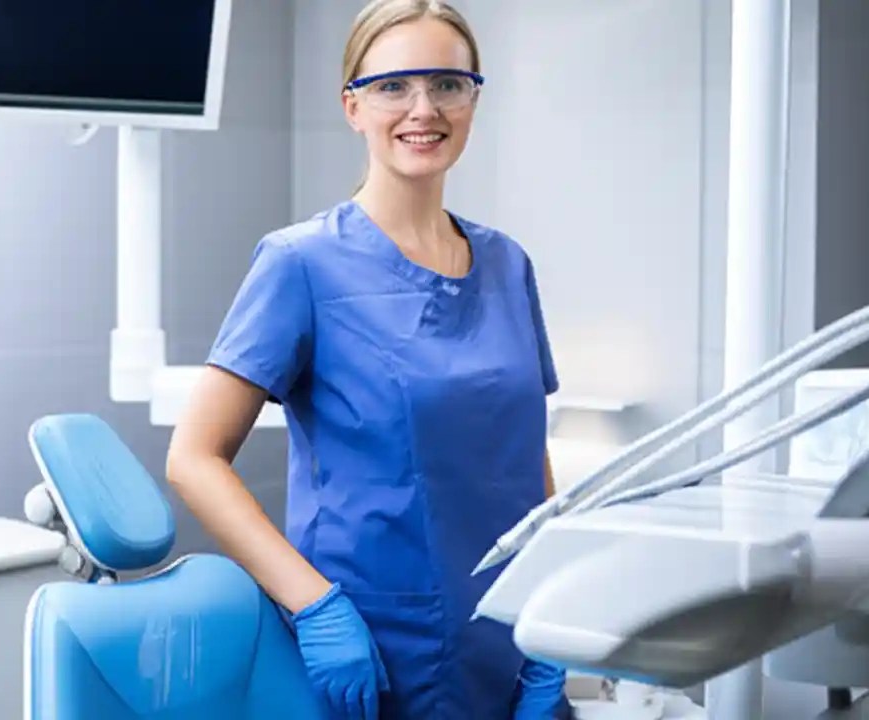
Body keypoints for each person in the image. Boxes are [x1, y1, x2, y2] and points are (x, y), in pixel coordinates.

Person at [165, 1, 570, 718]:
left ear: (474, 99)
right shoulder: (301, 264)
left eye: (448, 84)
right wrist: (314, 605)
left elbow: (524, 455)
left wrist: (549, 618)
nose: (424, 108)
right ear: (352, 106)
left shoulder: (509, 265)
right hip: (370, 658)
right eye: (393, 86)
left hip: (505, 643)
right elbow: (194, 458)